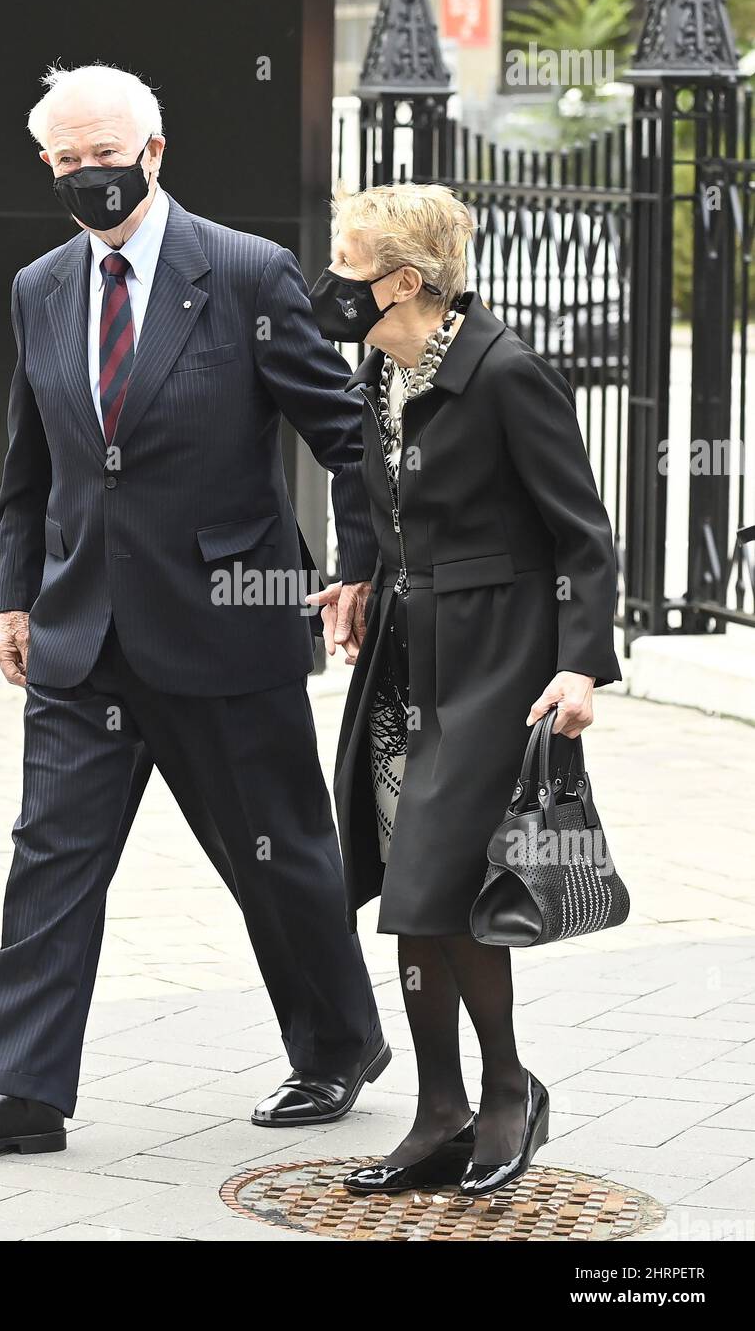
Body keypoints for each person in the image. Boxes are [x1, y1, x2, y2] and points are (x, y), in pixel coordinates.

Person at [0, 64, 390, 1155]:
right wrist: (14, 598)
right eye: (67, 161)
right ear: (48, 168)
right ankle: (15, 1091)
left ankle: (336, 1045)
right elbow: (30, 469)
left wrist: (357, 570)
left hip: (225, 624)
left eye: (105, 154)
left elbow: (345, 434)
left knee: (277, 855)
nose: (89, 174)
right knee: (50, 857)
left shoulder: (248, 273)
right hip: (82, 636)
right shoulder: (39, 289)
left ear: (153, 152)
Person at [306, 183, 622, 1197]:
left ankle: (501, 1093)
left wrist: (579, 664)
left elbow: (582, 534)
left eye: (350, 267)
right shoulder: (379, 368)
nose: (334, 284)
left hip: (492, 659)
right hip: (404, 652)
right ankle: (440, 1106)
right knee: (408, 892)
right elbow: (376, 493)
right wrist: (359, 578)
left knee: (446, 880)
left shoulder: (503, 373)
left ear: (404, 279)